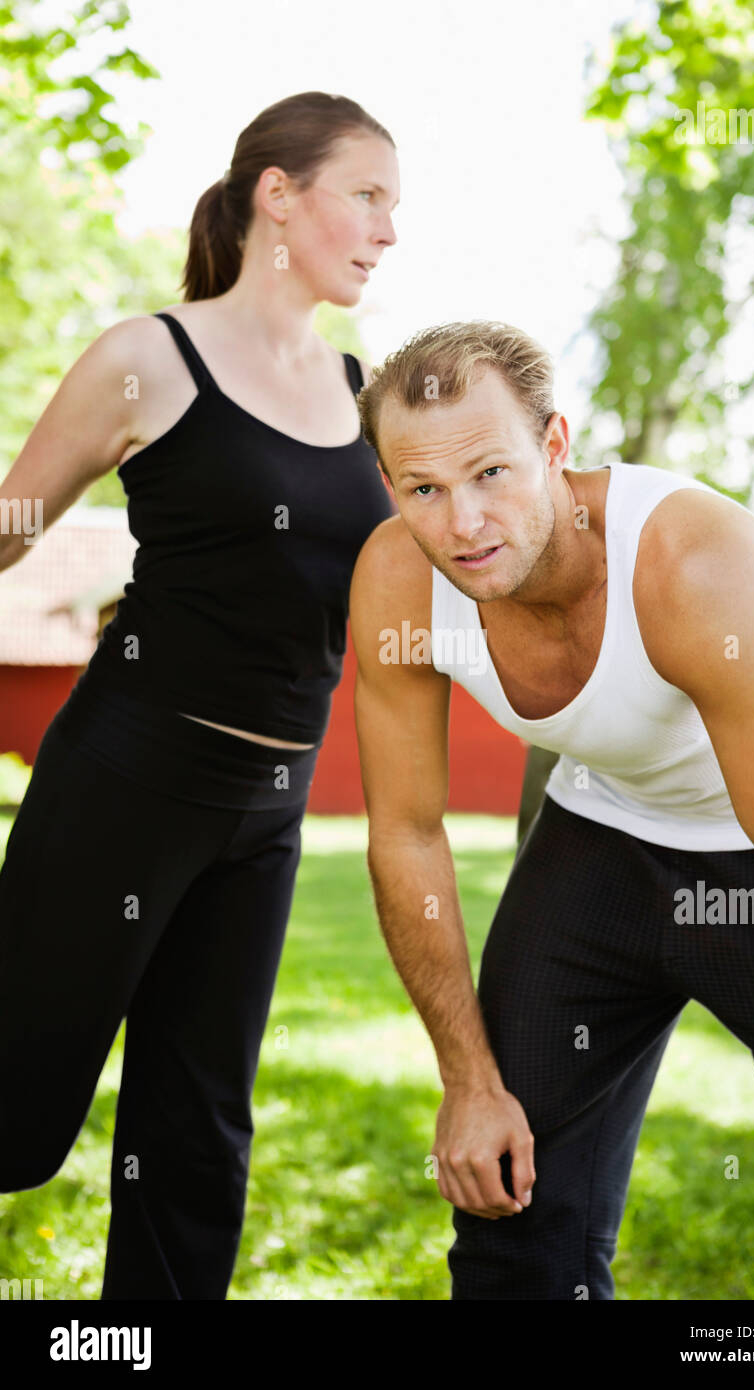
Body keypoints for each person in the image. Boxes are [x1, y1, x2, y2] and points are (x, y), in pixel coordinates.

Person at [348, 319, 754, 1301]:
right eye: (423, 488)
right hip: (605, 832)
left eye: (491, 472)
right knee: (507, 1207)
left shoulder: (692, 562)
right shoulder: (397, 579)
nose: (462, 523)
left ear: (554, 445)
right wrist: (467, 1080)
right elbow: (405, 832)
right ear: (388, 484)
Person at [0, 90, 399, 1300]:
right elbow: (13, 525)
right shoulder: (147, 357)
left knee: (197, 1130)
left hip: (267, 806)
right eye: (368, 194)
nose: (388, 229)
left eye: (398, 206)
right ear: (279, 194)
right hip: (124, 779)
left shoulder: (361, 390)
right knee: (15, 1094)